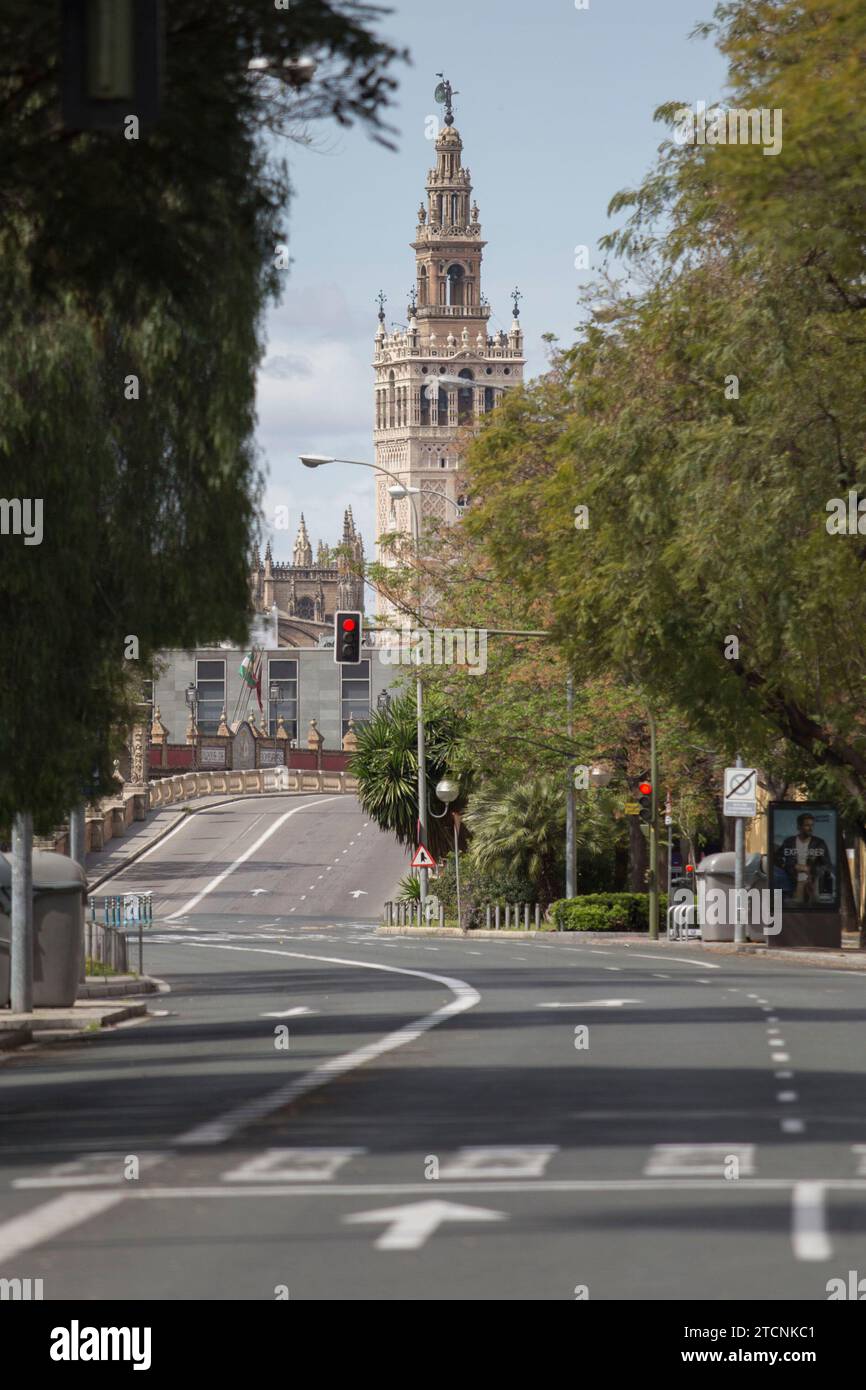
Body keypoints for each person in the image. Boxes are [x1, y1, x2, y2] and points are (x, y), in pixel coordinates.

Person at [774, 813, 832, 903]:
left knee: (814, 905)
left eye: (812, 825)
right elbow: (776, 858)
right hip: (793, 882)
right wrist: (793, 866)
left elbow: (827, 864)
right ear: (799, 827)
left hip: (813, 881)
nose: (810, 828)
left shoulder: (819, 843)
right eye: (807, 825)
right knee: (796, 905)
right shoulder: (789, 842)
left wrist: (811, 869)